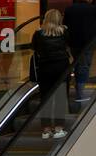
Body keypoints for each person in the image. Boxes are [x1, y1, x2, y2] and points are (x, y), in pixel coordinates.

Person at [30, 9, 72, 139]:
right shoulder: (64, 32)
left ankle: (46, 130)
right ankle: (59, 129)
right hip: (61, 67)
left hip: (45, 68)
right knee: (60, 98)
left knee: (45, 99)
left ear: (46, 19)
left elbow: (34, 48)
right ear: (59, 19)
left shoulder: (38, 33)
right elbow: (69, 45)